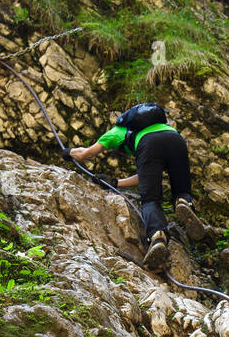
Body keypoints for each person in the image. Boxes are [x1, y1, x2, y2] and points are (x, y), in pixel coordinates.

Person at [69, 106, 206, 270]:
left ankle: (158, 237)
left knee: (150, 200)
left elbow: (86, 154)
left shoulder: (115, 132)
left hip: (149, 144)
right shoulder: (162, 126)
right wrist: (116, 183)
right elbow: (147, 175)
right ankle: (184, 203)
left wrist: (68, 152)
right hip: (176, 139)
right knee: (182, 190)